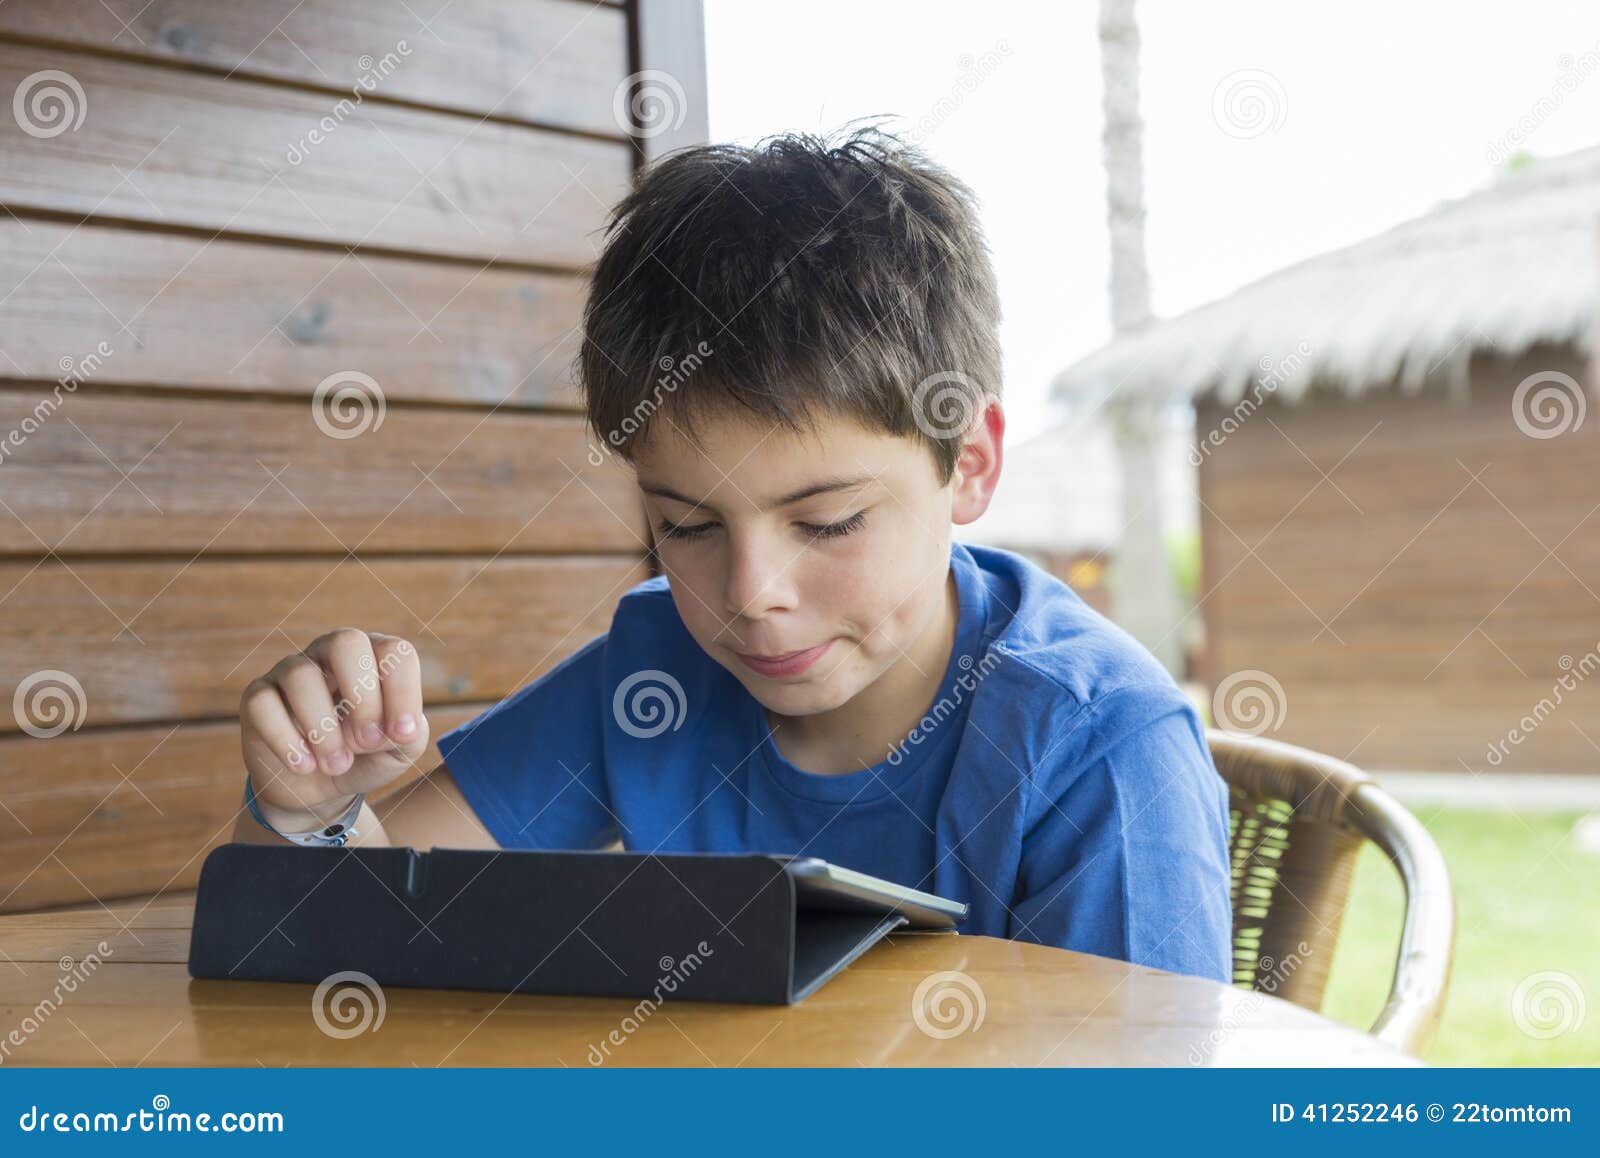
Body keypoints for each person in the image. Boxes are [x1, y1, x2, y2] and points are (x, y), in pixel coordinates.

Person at [234, 124, 1233, 983]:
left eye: (829, 522)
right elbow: (348, 940)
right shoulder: (657, 673)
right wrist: (312, 812)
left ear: (968, 464)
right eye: (688, 526)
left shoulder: (1096, 753)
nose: (748, 596)